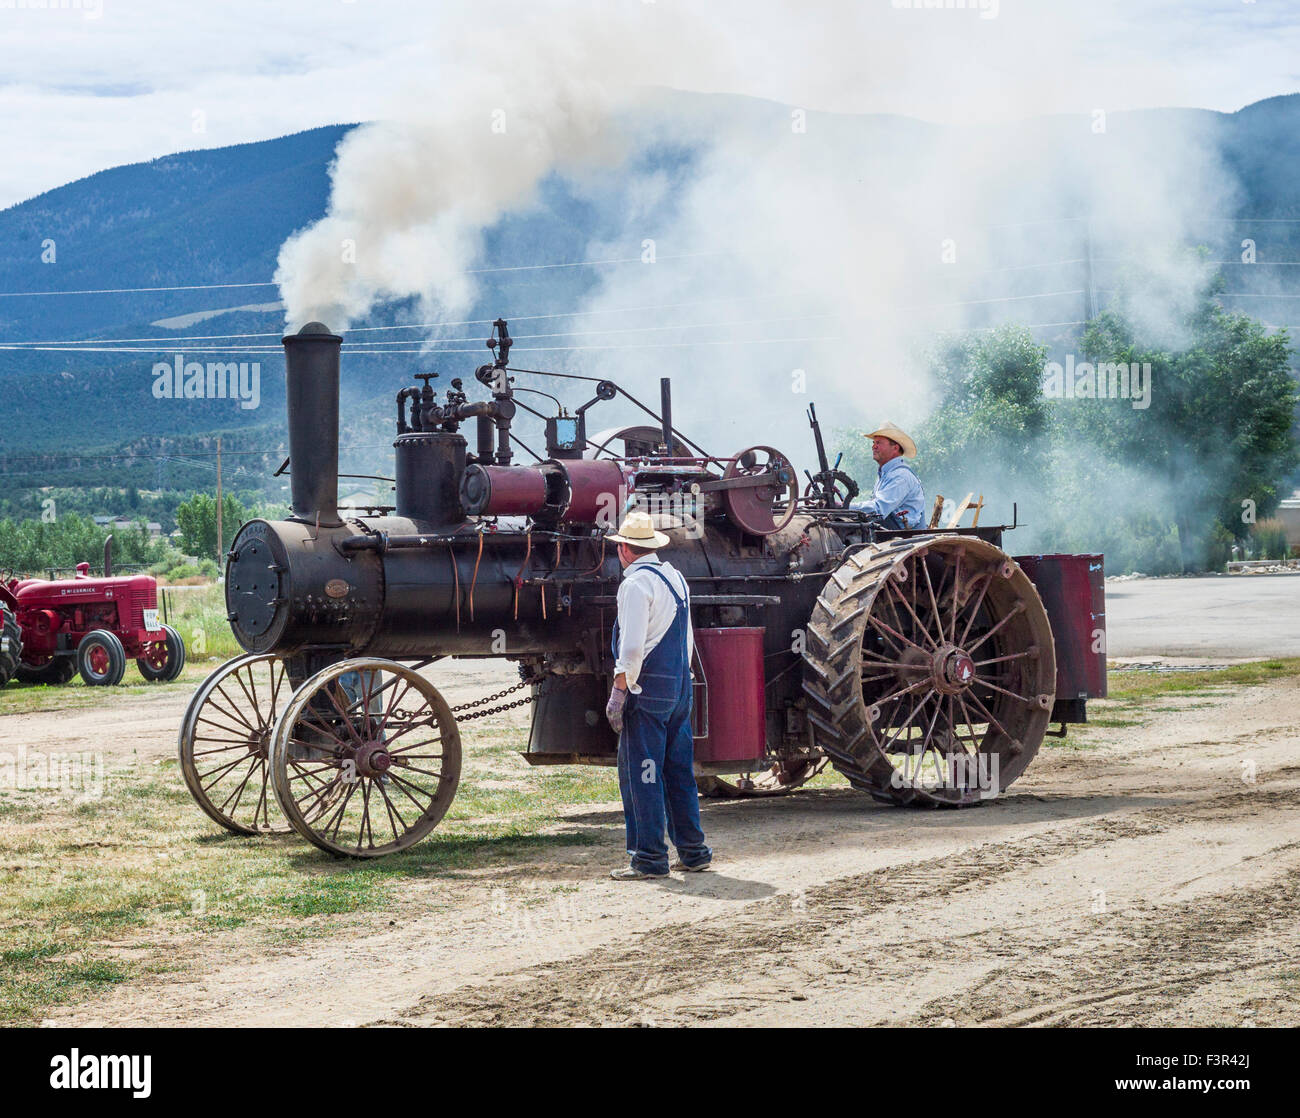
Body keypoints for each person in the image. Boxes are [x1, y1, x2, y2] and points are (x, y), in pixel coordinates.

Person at [603, 510, 713, 880]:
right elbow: (687, 637)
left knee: (642, 773)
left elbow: (632, 649)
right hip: (681, 686)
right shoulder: (676, 577)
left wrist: (619, 691)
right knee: (678, 771)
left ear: (624, 551)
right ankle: (694, 852)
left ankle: (649, 858)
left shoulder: (634, 585)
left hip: (647, 689)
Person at [852, 422, 925, 529]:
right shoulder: (886, 474)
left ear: (895, 448)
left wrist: (843, 507)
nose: (874, 446)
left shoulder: (900, 476)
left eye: (879, 443)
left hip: (905, 540)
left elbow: (878, 509)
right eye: (874, 442)